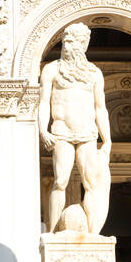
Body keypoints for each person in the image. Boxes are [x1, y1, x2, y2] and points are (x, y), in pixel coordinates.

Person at [38, 22, 112, 235]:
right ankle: (51, 233)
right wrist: (43, 130)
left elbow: (100, 108)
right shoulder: (52, 69)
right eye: (65, 42)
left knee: (90, 183)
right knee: (60, 180)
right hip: (62, 131)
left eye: (72, 42)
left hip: (88, 133)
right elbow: (43, 102)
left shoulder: (94, 73)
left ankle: (92, 233)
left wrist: (107, 139)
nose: (67, 46)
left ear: (83, 45)